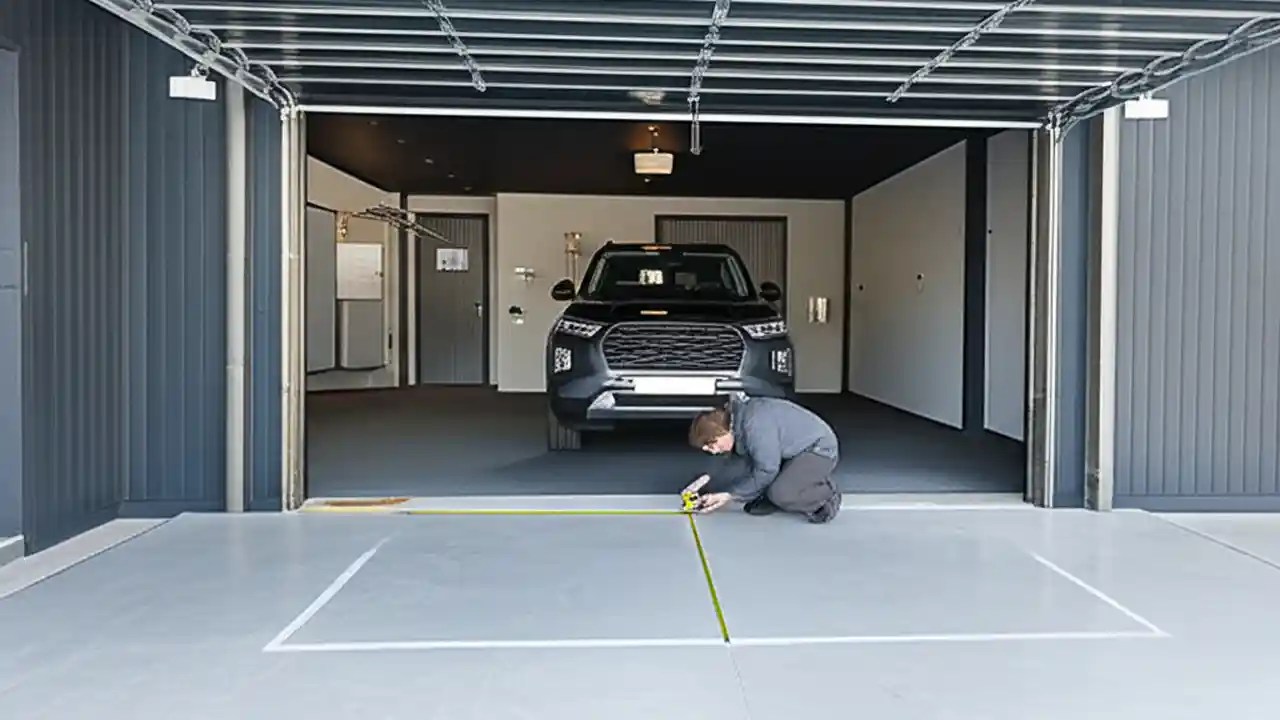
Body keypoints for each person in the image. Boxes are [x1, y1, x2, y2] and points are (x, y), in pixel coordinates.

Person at [684, 395, 842, 523]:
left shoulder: (755, 427)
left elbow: (766, 470)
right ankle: (783, 485)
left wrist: (729, 495)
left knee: (782, 493)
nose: (713, 451)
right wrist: (705, 484)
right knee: (749, 477)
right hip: (791, 451)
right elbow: (732, 468)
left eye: (712, 445)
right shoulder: (738, 421)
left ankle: (826, 495)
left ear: (723, 432)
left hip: (818, 449)